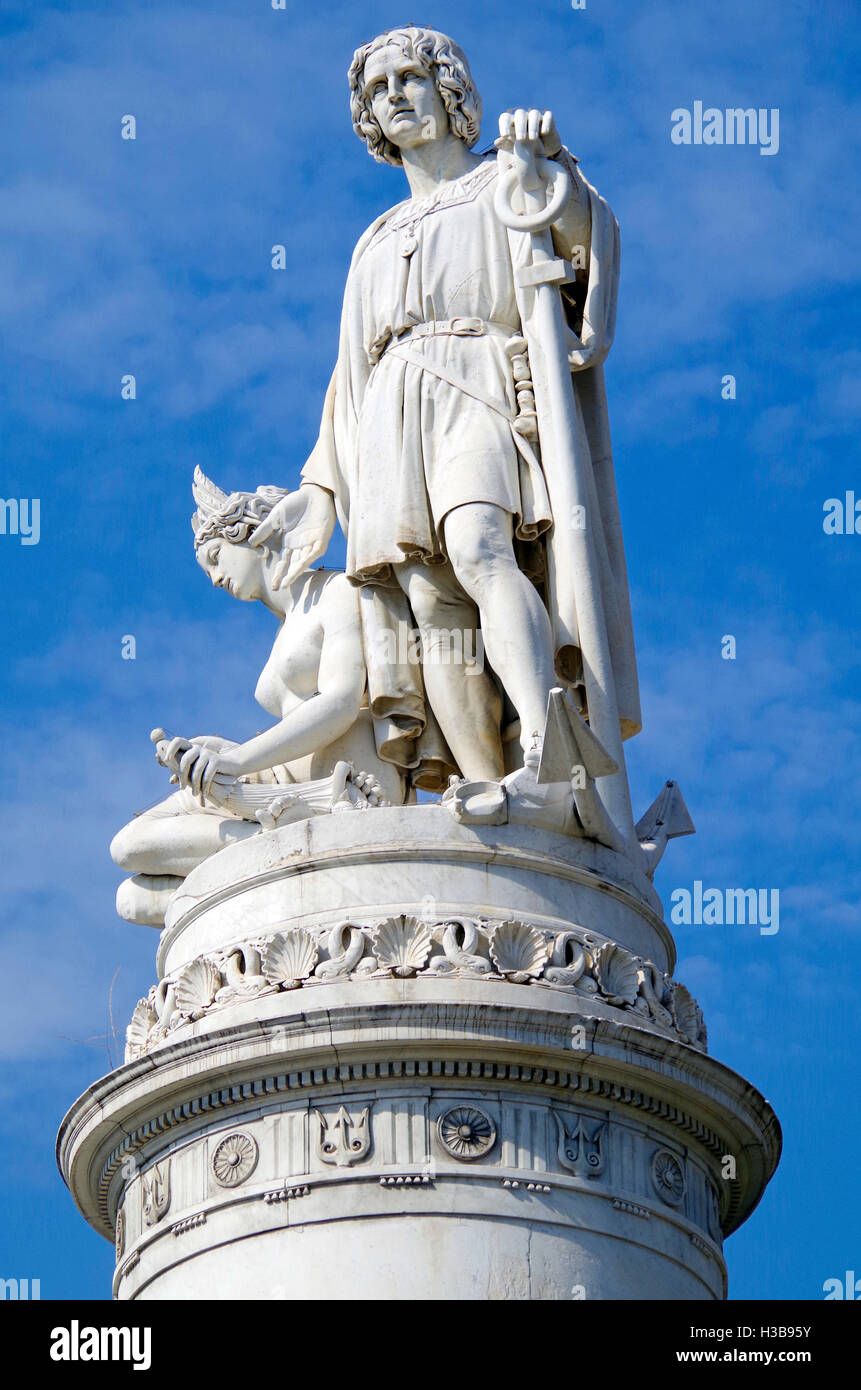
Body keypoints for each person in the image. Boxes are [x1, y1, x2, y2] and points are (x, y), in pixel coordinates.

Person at [253, 25, 640, 794]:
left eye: (410, 78)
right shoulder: (374, 239)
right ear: (369, 120)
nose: (394, 96)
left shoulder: (505, 181)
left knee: (478, 546)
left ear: (448, 90)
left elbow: (578, 243)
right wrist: (320, 491)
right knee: (429, 596)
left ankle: (542, 737)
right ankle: (482, 781)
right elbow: (347, 381)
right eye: (377, 90)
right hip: (392, 413)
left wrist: (547, 163)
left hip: (476, 382)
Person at [111, 468, 448, 927]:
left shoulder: (336, 590)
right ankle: (270, 852)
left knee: (137, 851)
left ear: (250, 536)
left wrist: (236, 763)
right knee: (131, 880)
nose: (214, 579)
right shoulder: (283, 629)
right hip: (288, 782)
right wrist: (220, 750)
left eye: (215, 558)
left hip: (351, 776)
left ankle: (277, 838)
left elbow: (340, 702)